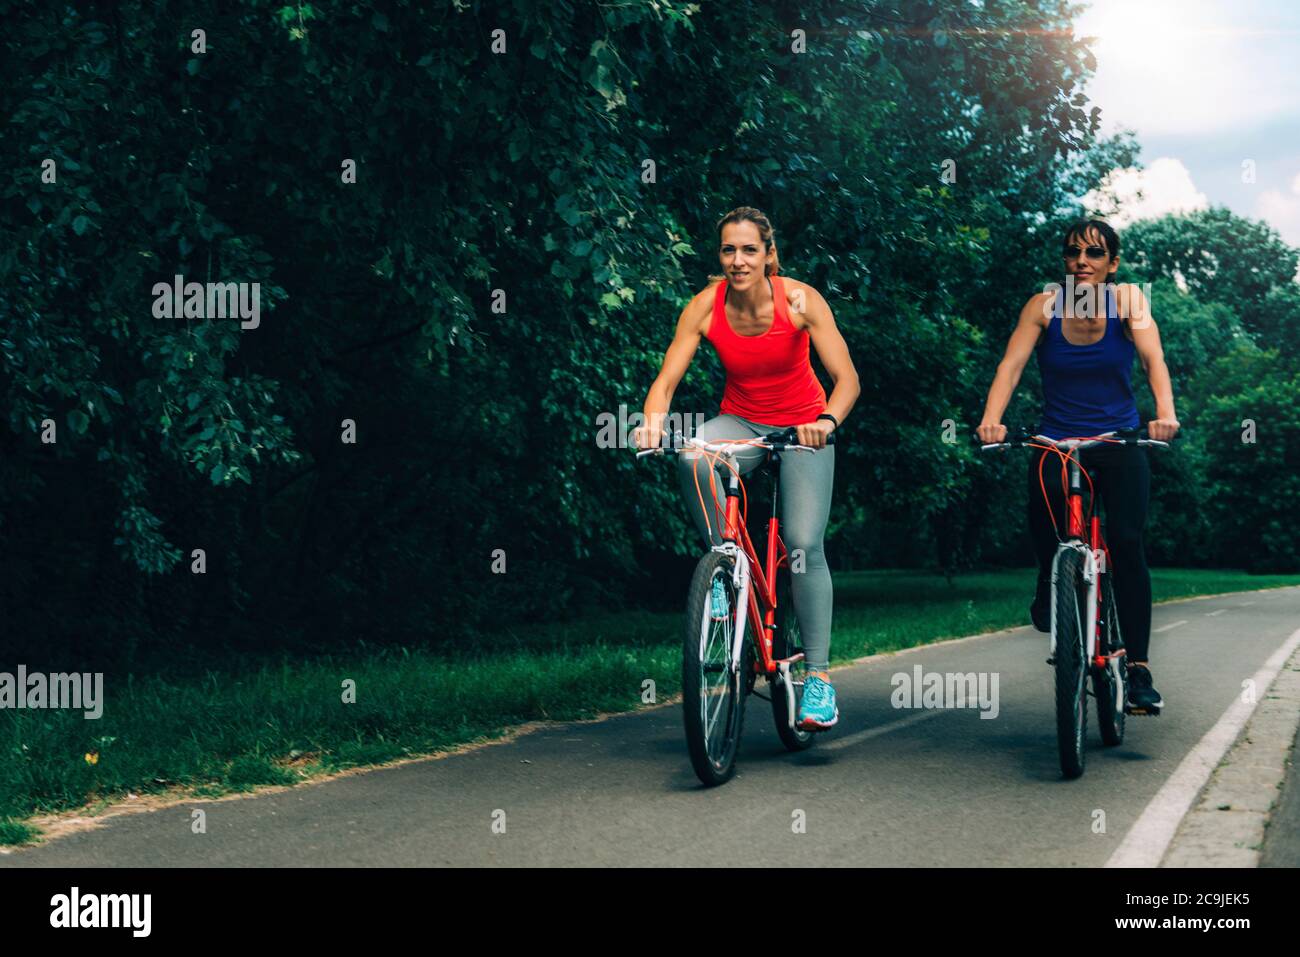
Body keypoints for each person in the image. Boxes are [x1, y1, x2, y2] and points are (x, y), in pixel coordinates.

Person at [634, 207, 861, 729]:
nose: (738, 261)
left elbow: (846, 377)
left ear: (769, 255)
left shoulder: (801, 300)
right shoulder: (705, 308)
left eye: (749, 250)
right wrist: (651, 423)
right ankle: (725, 567)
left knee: (803, 544)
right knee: (693, 454)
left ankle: (820, 681)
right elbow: (666, 382)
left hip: (805, 427)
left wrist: (827, 420)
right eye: (729, 250)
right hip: (742, 421)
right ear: (720, 257)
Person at [977, 219, 1180, 714]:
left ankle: (1138, 670)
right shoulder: (1043, 307)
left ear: (1113, 264)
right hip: (1057, 438)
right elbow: (1011, 366)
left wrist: (1165, 414)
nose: (1082, 262)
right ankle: (1052, 579)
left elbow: (1153, 360)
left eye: (1094, 254)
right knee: (1048, 523)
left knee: (1127, 542)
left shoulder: (1128, 301)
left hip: (1119, 438)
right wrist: (991, 420)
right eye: (1073, 254)